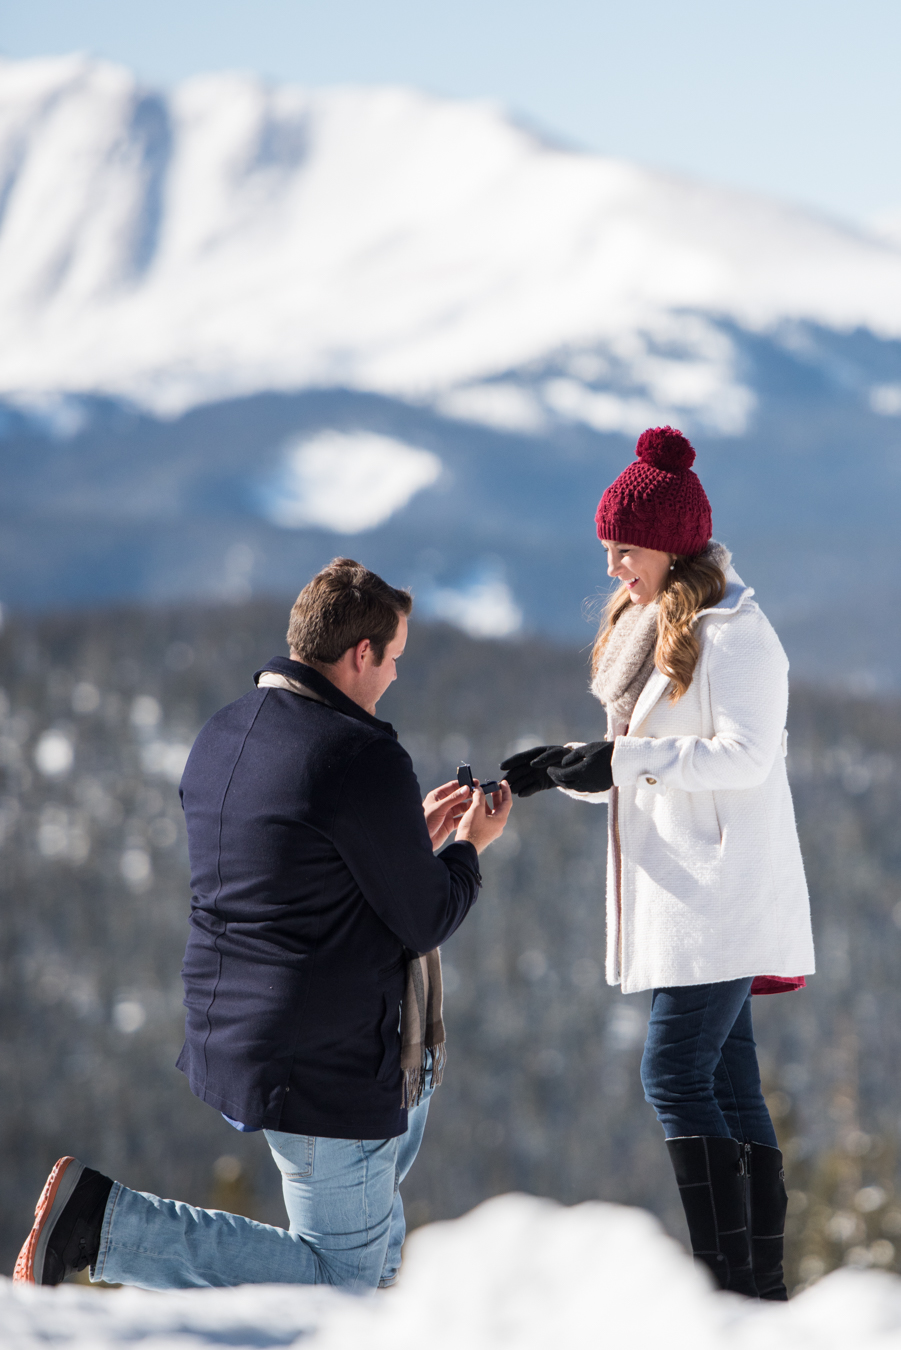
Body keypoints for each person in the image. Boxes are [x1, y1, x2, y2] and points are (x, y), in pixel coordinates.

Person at [16, 557, 512, 1290]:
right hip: (325, 1064)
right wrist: (470, 846)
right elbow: (426, 915)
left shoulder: (224, 731)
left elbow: (293, 864)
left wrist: (401, 837)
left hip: (246, 1039)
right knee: (338, 1283)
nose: (396, 677)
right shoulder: (360, 755)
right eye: (395, 659)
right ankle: (100, 1223)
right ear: (359, 654)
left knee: (372, 1272)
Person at [501, 428, 814, 1300]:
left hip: (721, 894)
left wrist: (623, 763)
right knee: (722, 1078)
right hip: (687, 898)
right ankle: (755, 1292)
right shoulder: (650, 632)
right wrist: (566, 767)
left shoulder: (736, 634)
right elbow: (644, 756)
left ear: (670, 546)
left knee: (672, 1074)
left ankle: (724, 1289)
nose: (612, 569)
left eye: (624, 550)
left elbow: (743, 758)